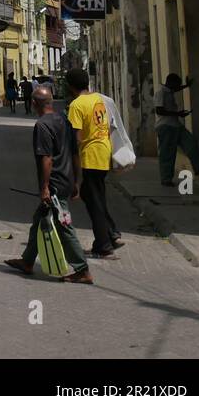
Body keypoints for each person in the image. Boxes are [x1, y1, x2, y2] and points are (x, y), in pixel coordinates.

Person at [6, 84, 92, 283]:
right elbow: (74, 152)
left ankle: (82, 269)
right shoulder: (64, 120)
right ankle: (27, 261)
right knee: (40, 220)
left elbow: (47, 159)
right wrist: (77, 180)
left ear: (34, 103)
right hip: (66, 179)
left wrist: (44, 187)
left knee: (64, 226)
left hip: (54, 185)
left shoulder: (42, 126)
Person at [66, 68, 119, 258]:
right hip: (104, 151)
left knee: (93, 202)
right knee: (98, 198)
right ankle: (109, 236)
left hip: (90, 156)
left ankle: (105, 245)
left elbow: (77, 139)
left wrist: (76, 174)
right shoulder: (98, 99)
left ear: (70, 86)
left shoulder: (76, 105)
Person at [155, 73, 199, 188]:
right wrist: (178, 113)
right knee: (167, 154)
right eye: (176, 85)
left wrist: (186, 86)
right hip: (166, 127)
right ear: (170, 83)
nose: (177, 87)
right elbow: (159, 110)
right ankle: (166, 179)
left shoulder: (169, 92)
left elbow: (176, 89)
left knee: (191, 143)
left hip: (175, 125)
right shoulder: (161, 93)